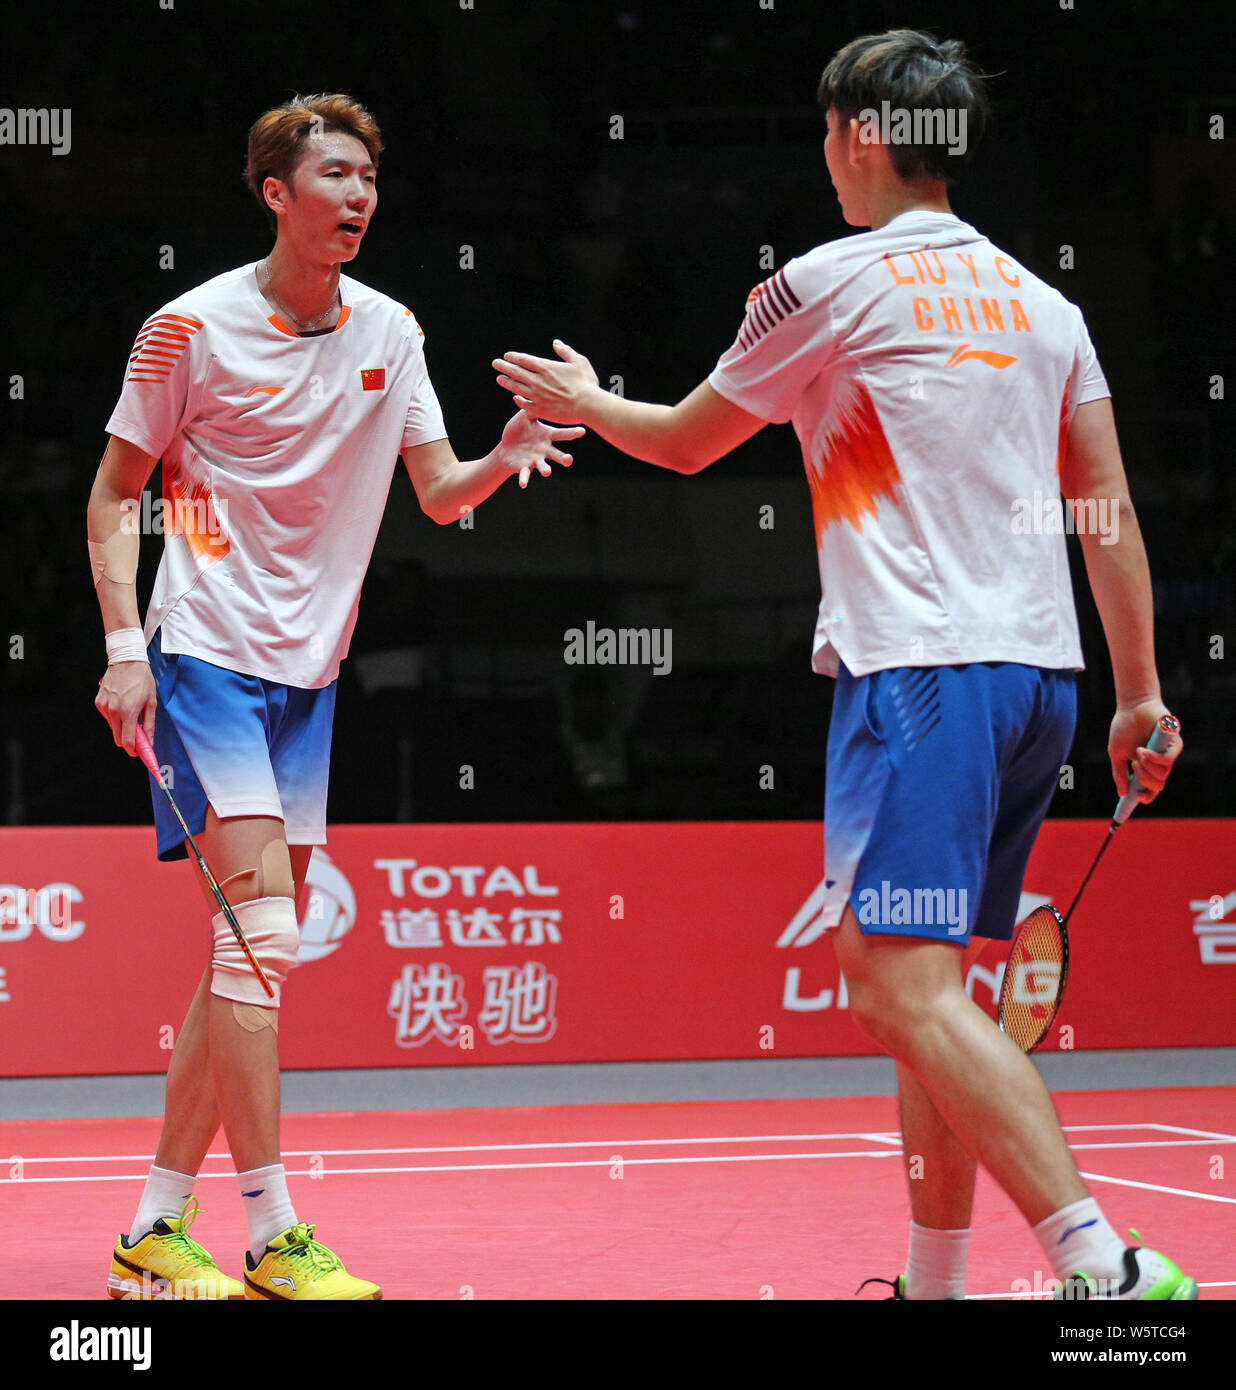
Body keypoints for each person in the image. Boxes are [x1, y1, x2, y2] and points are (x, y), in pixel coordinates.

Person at [493, 30, 1194, 1301]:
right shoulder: (1050, 306)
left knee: (893, 990)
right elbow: (1109, 508)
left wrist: (592, 402)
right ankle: (932, 1286)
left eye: (827, 132)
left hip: (918, 674)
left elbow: (691, 445)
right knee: (937, 991)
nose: (822, 157)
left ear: (864, 135)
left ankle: (1104, 1261)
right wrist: (1140, 690)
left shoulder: (829, 282)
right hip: (1041, 681)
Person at [88, 92, 581, 1300]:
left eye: (371, 176)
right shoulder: (187, 329)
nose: (360, 195)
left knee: (254, 951)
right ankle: (270, 1234)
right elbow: (112, 494)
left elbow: (437, 491)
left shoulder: (394, 331)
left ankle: (155, 1225)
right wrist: (121, 644)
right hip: (203, 647)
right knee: (256, 940)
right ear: (276, 192)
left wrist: (506, 455)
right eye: (337, 176)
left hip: (309, 674)